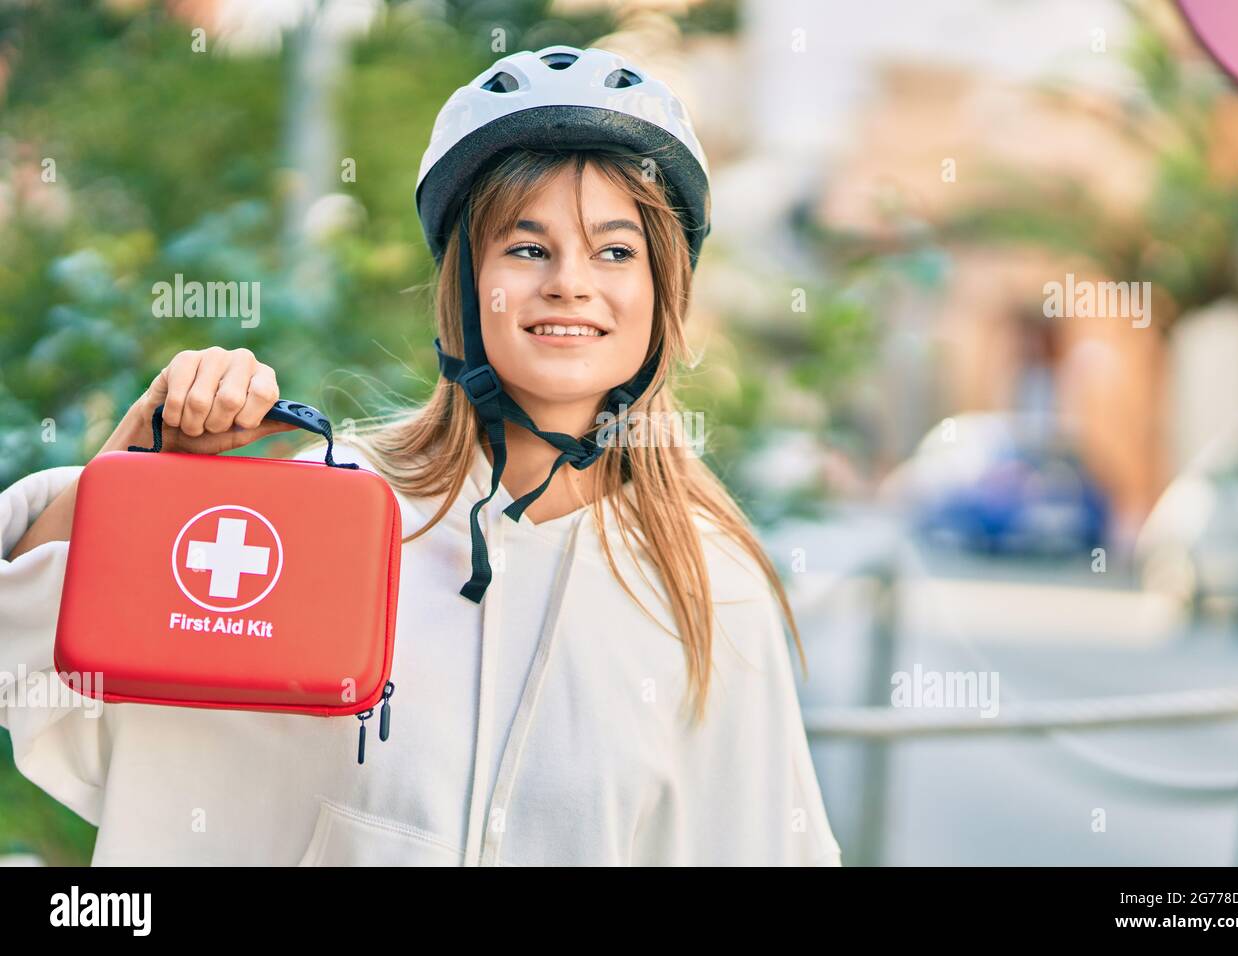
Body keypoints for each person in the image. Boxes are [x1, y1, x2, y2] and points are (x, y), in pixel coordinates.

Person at [0, 45, 842, 866]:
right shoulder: (323, 518)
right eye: (526, 245)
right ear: (466, 285)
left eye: (616, 250)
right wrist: (138, 477)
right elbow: (30, 662)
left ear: (664, 293)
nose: (570, 282)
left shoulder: (709, 588)